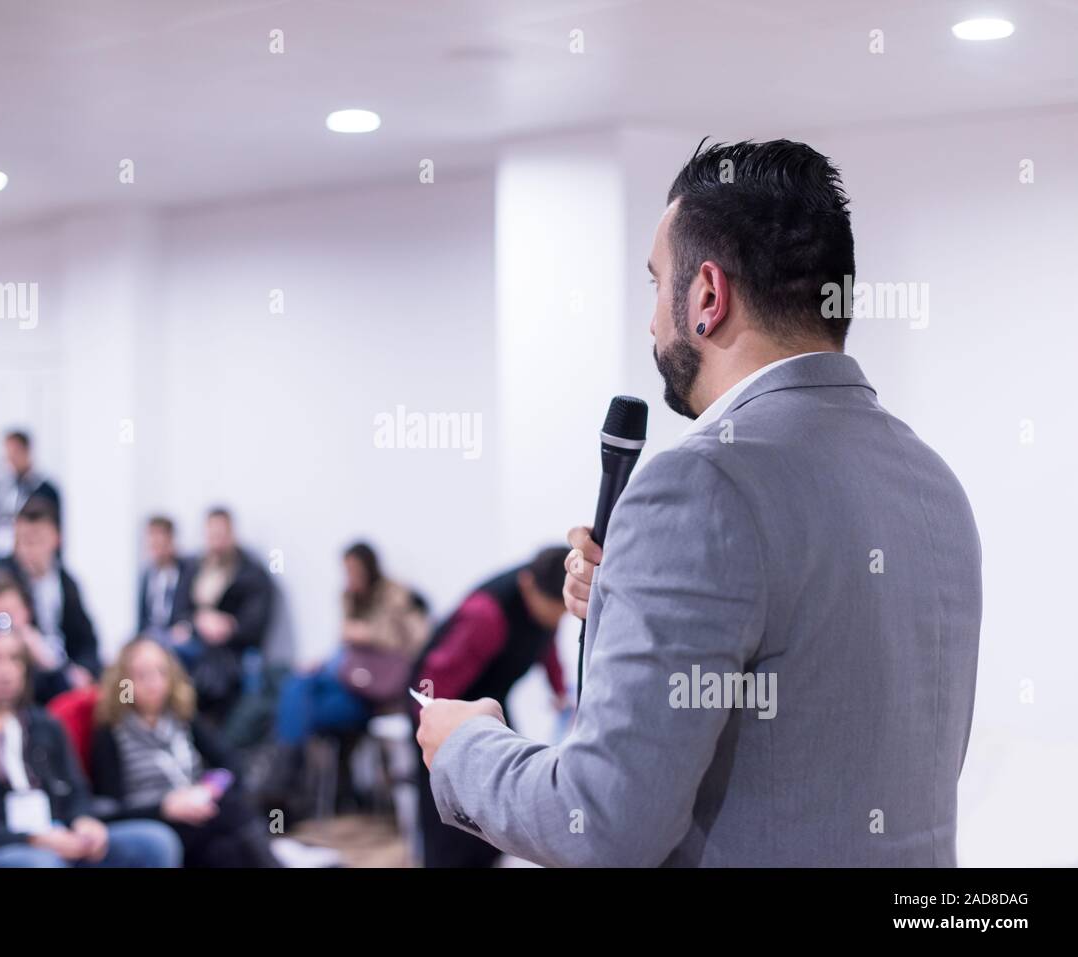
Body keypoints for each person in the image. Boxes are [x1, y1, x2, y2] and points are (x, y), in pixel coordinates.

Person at [417, 139, 982, 868]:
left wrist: (464, 747)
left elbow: (604, 823)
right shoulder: (935, 484)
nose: (652, 323)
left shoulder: (702, 482)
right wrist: (634, 603)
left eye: (656, 286)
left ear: (707, 297)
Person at [0, 621, 182, 868]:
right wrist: (34, 840)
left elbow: (76, 790)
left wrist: (84, 821)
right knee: (42, 864)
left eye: (15, 659)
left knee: (155, 842)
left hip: (61, 834)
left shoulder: (45, 725)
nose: (6, 670)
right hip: (2, 849)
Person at [408, 547, 569, 868]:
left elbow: (545, 643)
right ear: (527, 585)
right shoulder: (485, 616)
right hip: (444, 710)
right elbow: (434, 682)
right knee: (452, 831)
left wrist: (560, 689)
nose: (556, 619)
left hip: (488, 704)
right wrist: (442, 744)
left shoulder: (548, 599)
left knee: (500, 806)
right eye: (552, 610)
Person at [92, 637, 278, 867]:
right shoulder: (111, 732)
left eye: (161, 672)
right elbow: (111, 809)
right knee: (235, 810)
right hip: (157, 822)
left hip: (199, 814)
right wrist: (165, 808)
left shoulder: (182, 718)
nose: (154, 683)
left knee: (225, 851)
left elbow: (230, 761)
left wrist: (208, 789)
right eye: (142, 675)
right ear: (123, 683)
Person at [267, 543, 428, 800]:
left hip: (375, 696)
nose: (350, 577)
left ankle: (282, 784)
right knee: (298, 685)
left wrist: (369, 634)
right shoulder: (348, 597)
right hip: (348, 680)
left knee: (299, 703)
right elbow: (346, 651)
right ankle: (285, 783)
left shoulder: (397, 596)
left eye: (354, 570)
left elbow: (418, 643)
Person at [176, 507, 275, 720]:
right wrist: (197, 621)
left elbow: (256, 623)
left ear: (232, 534)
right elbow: (179, 610)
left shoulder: (252, 573)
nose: (217, 541)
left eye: (222, 534)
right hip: (194, 641)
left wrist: (229, 626)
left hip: (233, 649)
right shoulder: (193, 567)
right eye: (212, 535)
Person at [0, 500, 100, 694]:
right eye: (21, 541)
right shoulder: (5, 584)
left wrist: (84, 670)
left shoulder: (66, 582)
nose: (27, 550)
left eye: (35, 541)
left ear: (55, 539)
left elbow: (87, 640)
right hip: (32, 677)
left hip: (65, 668)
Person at [0, 577, 90, 705]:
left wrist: (46, 661)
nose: (1, 630)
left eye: (7, 618)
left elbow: (69, 701)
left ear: (27, 612)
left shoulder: (42, 656)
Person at [0, 430, 61, 561]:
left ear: (26, 451)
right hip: (5, 555)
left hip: (32, 558)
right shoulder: (4, 487)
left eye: (14, 452)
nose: (10, 459)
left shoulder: (46, 490)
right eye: (7, 453)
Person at [136, 515, 194, 639]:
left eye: (159, 538)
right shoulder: (147, 575)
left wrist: (186, 626)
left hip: (179, 635)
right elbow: (142, 620)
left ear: (171, 540)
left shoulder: (189, 571)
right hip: (151, 635)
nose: (154, 542)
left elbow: (195, 610)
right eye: (151, 538)